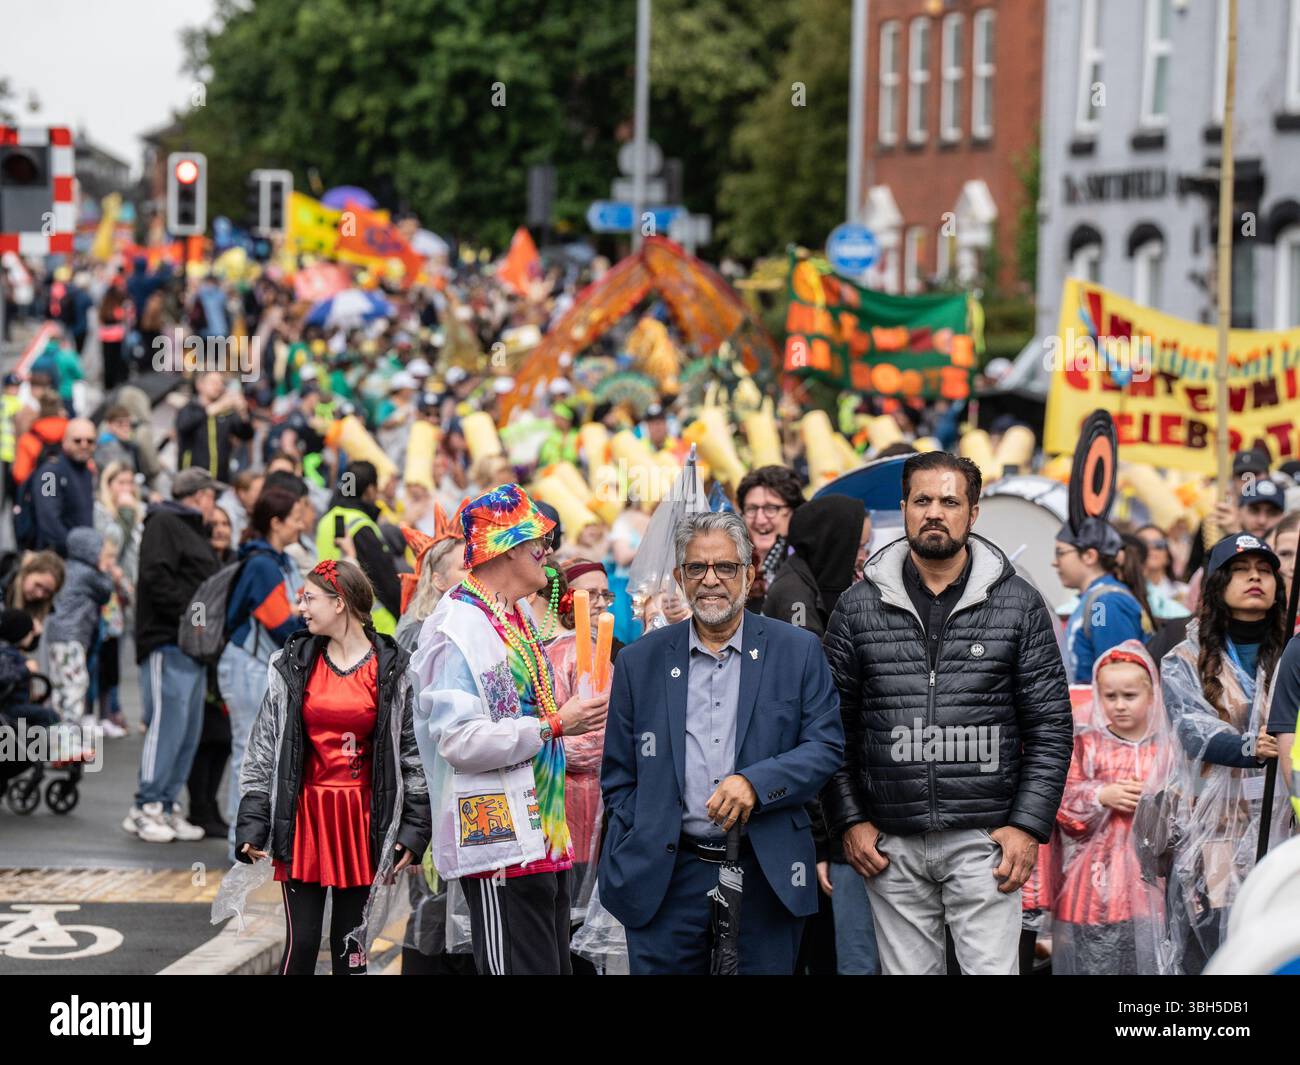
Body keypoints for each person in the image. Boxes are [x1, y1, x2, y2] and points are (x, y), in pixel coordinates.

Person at [821, 451, 1073, 975]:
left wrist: (1026, 827)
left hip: (985, 840)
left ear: (973, 513)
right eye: (923, 500)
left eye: (950, 501)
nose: (935, 512)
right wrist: (851, 821)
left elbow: (1050, 728)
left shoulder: (1019, 605)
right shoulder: (858, 606)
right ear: (904, 508)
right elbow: (832, 729)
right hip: (891, 842)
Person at [599, 510, 845, 974]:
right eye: (697, 568)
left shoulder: (797, 650)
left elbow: (825, 746)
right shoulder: (640, 661)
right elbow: (618, 774)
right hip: (666, 878)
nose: (711, 580)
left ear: (750, 574)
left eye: (726, 567)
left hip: (765, 871)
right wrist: (641, 830)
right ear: (680, 577)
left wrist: (756, 783)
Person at [411, 484, 608, 975]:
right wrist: (557, 724)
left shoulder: (513, 613)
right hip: (501, 843)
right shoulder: (458, 626)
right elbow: (457, 739)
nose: (547, 550)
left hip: (545, 831)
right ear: (507, 549)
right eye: (537, 540)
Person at [234, 558, 431, 975]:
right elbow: (264, 750)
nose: (299, 607)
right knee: (301, 944)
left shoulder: (395, 669)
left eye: (308, 598)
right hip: (304, 817)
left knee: (352, 948)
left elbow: (413, 756)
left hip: (365, 821)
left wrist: (414, 831)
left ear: (339, 602)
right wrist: (253, 823)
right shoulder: (290, 664)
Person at [1144, 533, 1289, 974]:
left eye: (1265, 571)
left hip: (1285, 832)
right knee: (1213, 954)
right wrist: (1253, 746)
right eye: (1242, 571)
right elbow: (1193, 730)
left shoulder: (1293, 657)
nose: (1255, 579)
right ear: (1217, 584)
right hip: (1211, 842)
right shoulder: (1182, 659)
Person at [761, 494, 878, 975]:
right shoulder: (796, 603)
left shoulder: (814, 592)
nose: (864, 558)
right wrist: (823, 840)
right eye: (859, 546)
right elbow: (808, 731)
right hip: (810, 815)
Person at [1053, 642, 1168, 975]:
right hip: (1094, 891)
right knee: (1096, 964)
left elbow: (1185, 807)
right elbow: (1062, 802)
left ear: (1151, 695)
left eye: (1129, 696)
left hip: (1151, 889)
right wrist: (1102, 795)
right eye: (1109, 696)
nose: (1119, 706)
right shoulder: (1086, 744)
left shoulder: (1166, 748)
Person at [124, 467, 221, 845]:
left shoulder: (191, 528)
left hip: (190, 645)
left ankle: (165, 803)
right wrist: (194, 617)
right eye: (212, 495)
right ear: (199, 496)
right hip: (167, 640)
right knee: (167, 726)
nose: (215, 503)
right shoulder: (164, 521)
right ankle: (146, 805)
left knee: (186, 731)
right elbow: (155, 578)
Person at [218, 487, 307, 860]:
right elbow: (279, 623)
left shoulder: (279, 561)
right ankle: (237, 846)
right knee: (248, 753)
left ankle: (248, 841)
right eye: (297, 517)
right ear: (276, 522)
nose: (303, 523)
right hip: (247, 666)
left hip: (256, 665)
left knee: (258, 754)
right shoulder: (263, 565)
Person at [546, 556, 623, 954]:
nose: (597, 603)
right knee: (555, 923)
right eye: (587, 594)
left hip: (589, 807)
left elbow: (599, 739)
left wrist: (543, 741)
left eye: (604, 594)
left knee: (581, 929)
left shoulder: (599, 652)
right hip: (551, 811)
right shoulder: (547, 650)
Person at [1054, 518, 1152, 684]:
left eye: (1061, 553)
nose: (1055, 562)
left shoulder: (1105, 603)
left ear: (1089, 556)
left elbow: (1117, 677)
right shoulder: (1099, 599)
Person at [316, 461, 402, 634]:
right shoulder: (361, 525)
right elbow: (385, 580)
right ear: (370, 489)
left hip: (335, 619)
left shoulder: (325, 521)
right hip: (376, 626)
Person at [762, 495, 866, 637]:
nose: (863, 557)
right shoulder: (793, 595)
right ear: (833, 546)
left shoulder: (811, 574)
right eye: (858, 547)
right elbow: (806, 654)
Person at [45, 528, 115, 728]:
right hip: (72, 636)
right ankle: (68, 734)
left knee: (60, 685)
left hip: (57, 635)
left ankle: (58, 730)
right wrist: (106, 570)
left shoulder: (67, 568)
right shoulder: (88, 574)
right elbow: (106, 591)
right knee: (75, 684)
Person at [736, 465, 803, 612]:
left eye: (771, 508)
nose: (760, 520)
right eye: (752, 509)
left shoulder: (807, 567)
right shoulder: (732, 565)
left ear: (792, 511)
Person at [30, 418, 97, 558]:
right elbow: (48, 518)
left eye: (90, 441)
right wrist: (71, 548)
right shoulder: (50, 473)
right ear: (64, 441)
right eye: (77, 440)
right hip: (57, 557)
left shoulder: (88, 473)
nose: (84, 445)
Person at [175, 371, 254, 485]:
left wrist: (243, 413)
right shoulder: (189, 408)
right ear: (200, 384)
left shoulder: (226, 413)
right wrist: (213, 409)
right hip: (192, 481)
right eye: (213, 382)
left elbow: (247, 435)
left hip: (219, 480)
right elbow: (183, 425)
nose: (218, 386)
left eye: (221, 383)